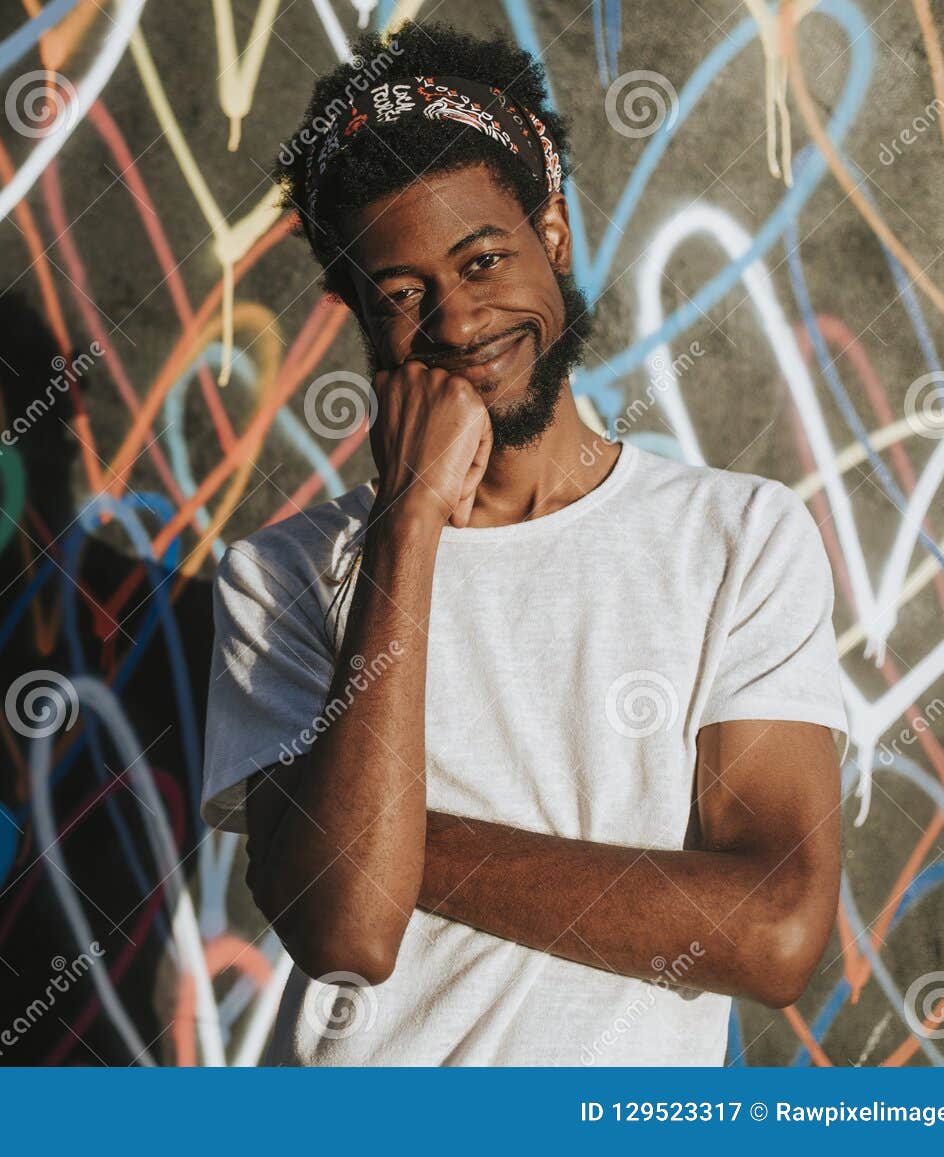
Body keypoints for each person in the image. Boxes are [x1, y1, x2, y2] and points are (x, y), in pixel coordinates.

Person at [200, 20, 850, 1066]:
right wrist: (406, 518)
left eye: (484, 258)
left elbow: (773, 930)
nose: (458, 319)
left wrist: (386, 844)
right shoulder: (276, 578)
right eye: (403, 295)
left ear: (550, 232)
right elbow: (347, 932)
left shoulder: (737, 537)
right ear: (359, 315)